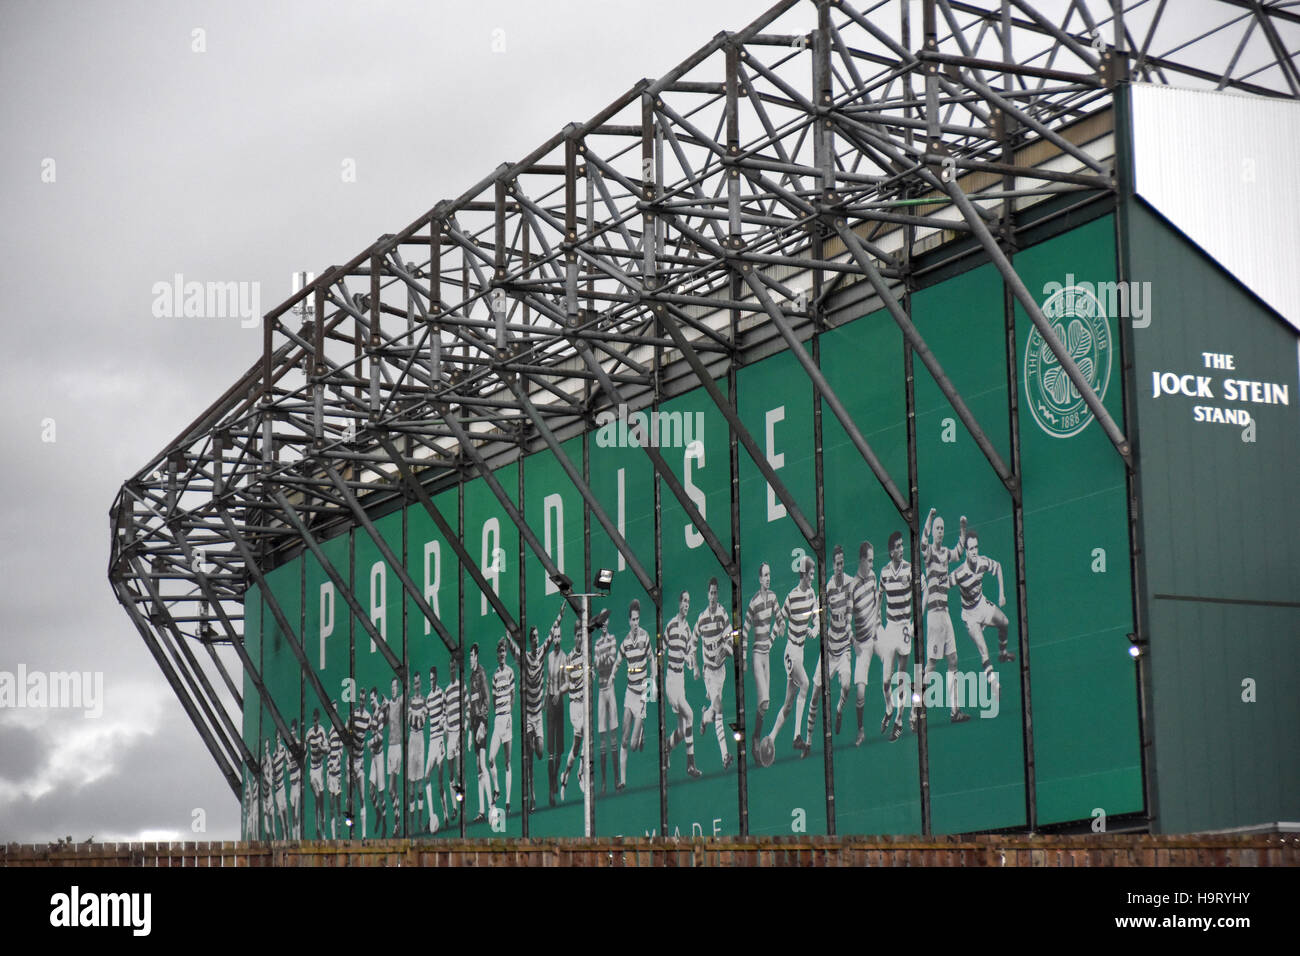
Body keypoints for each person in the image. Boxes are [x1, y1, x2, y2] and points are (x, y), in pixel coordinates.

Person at [761, 556, 819, 758]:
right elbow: (779, 621)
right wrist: (768, 644)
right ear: (803, 574)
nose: (813, 578)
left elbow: (816, 617)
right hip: (791, 651)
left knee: (788, 703)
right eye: (811, 574)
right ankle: (796, 736)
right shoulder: (792, 596)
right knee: (805, 684)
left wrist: (816, 628)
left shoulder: (812, 594)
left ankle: (771, 737)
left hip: (800, 652)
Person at [949, 528, 1012, 699]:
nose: (975, 551)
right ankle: (993, 683)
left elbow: (998, 567)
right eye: (971, 549)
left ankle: (1003, 654)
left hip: (982, 605)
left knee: (1005, 623)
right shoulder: (959, 573)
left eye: (976, 547)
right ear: (966, 552)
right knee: (984, 650)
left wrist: (1001, 593)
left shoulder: (983, 563)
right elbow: (943, 586)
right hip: (970, 616)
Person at [921, 509, 969, 725]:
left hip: (946, 614)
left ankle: (955, 711)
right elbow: (922, 543)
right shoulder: (930, 552)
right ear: (933, 532)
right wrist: (930, 519)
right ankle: (915, 710)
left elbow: (959, 552)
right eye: (937, 529)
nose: (940, 532)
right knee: (931, 665)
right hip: (934, 616)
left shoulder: (945, 554)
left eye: (941, 528)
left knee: (953, 660)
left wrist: (962, 529)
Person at [510, 612, 560, 811]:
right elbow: (514, 651)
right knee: (529, 762)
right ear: (530, 641)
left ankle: (532, 740)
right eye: (534, 638)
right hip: (527, 716)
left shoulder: (541, 652)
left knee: (539, 752)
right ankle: (531, 798)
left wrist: (561, 613)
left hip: (538, 714)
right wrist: (508, 635)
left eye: (537, 637)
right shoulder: (525, 658)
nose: (536, 640)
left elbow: (551, 632)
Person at [807, 547, 853, 748]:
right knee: (815, 694)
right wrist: (817, 628)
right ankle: (808, 740)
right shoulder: (828, 588)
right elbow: (817, 612)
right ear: (833, 566)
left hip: (844, 649)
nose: (840, 567)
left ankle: (840, 710)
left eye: (842, 563)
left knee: (846, 686)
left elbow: (853, 609)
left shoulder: (851, 583)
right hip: (828, 652)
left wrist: (852, 628)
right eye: (837, 564)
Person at [694, 577, 734, 770]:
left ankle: (704, 718)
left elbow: (730, 638)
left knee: (714, 709)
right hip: (709, 672)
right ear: (707, 594)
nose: (713, 596)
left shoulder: (723, 614)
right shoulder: (701, 619)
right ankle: (725, 755)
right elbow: (692, 643)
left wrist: (724, 650)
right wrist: (694, 666)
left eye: (716, 592)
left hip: (721, 671)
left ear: (718, 595)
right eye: (710, 592)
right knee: (719, 706)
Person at [741, 562, 779, 762]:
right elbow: (745, 630)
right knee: (764, 700)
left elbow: (780, 617)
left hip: (767, 656)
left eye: (769, 574)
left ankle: (756, 736)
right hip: (757, 655)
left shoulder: (773, 597)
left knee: (764, 706)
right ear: (759, 578)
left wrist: (780, 625)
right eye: (765, 575)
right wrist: (745, 659)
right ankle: (756, 738)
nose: (768, 578)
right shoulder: (754, 602)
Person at [663, 590, 702, 778]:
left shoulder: (688, 630)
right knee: (690, 714)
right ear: (679, 603)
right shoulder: (670, 626)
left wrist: (691, 663)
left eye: (689, 601)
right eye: (684, 601)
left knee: (680, 730)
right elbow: (660, 651)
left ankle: (666, 748)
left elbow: (688, 655)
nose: (686, 604)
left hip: (681, 681)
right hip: (671, 679)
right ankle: (690, 764)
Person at [879, 531, 914, 741]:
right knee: (885, 682)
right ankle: (889, 709)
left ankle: (899, 720)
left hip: (904, 629)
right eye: (898, 547)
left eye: (902, 546)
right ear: (891, 551)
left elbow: (924, 591)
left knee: (901, 679)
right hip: (890, 628)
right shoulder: (883, 572)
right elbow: (879, 594)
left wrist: (913, 624)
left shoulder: (909, 569)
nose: (902, 549)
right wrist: (876, 618)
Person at [849, 542, 884, 746]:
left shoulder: (873, 576)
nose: (872, 564)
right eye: (870, 560)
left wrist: (878, 622)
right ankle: (860, 730)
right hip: (862, 644)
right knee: (860, 692)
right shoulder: (851, 587)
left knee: (894, 662)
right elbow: (845, 621)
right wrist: (853, 640)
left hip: (875, 634)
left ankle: (904, 715)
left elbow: (877, 600)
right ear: (862, 560)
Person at [616, 599, 652, 791]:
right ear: (629, 621)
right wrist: (613, 674)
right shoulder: (626, 642)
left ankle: (642, 728)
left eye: (638, 619)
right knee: (623, 736)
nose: (636, 623)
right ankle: (622, 780)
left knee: (633, 745)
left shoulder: (645, 637)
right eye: (633, 620)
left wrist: (651, 690)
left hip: (642, 695)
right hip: (630, 692)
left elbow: (652, 660)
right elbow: (618, 660)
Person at [559, 620, 592, 799]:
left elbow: (589, 677)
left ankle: (566, 776)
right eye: (578, 635)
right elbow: (567, 682)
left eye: (582, 635)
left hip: (584, 705)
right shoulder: (569, 658)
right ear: (574, 637)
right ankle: (581, 773)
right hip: (574, 707)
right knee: (582, 732)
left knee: (577, 745)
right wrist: (558, 692)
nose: (580, 638)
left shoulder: (586, 656)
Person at [488, 639, 516, 814]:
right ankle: (497, 789)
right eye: (499, 652)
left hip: (507, 720)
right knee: (491, 759)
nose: (502, 654)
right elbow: (493, 699)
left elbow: (513, 696)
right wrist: (499, 715)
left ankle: (507, 801)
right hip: (498, 721)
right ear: (497, 655)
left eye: (504, 651)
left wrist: (509, 715)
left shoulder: (511, 672)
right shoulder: (495, 676)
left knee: (507, 762)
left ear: (506, 653)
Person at [593, 613, 619, 793]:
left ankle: (617, 778)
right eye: (600, 622)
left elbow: (611, 661)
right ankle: (603, 782)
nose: (603, 624)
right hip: (601, 691)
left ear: (608, 622)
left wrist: (603, 662)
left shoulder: (612, 639)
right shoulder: (596, 644)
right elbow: (597, 665)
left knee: (614, 735)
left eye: (605, 621)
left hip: (610, 688)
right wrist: (603, 661)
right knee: (602, 737)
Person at [545, 610, 569, 805]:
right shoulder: (549, 658)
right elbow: (547, 680)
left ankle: (554, 780)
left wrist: (559, 692)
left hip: (559, 703)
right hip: (550, 705)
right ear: (552, 638)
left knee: (560, 750)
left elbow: (568, 683)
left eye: (560, 636)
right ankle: (551, 789)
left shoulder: (565, 657)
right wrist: (547, 698)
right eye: (555, 636)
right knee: (551, 750)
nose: (557, 639)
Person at [467, 644, 491, 824]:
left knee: (483, 764)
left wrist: (483, 722)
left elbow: (487, 699)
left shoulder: (481, 673)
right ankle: (482, 811)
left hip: (482, 722)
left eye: (472, 656)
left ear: (477, 657)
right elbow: (470, 705)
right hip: (474, 724)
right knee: (478, 767)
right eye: (469, 656)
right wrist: (470, 731)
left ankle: (492, 808)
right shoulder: (470, 677)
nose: (470, 659)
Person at [423, 665, 449, 830]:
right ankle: (432, 815)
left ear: (437, 678)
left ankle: (445, 814)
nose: (432, 682)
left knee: (440, 782)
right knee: (426, 777)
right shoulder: (428, 697)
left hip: (440, 741)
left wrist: (443, 720)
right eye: (430, 680)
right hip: (431, 743)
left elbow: (446, 713)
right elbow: (424, 717)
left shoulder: (441, 694)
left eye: (433, 679)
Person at [407, 673, 427, 833]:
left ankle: (420, 821)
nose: (417, 685)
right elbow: (410, 721)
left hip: (420, 739)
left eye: (419, 682)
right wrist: (416, 718)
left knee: (420, 782)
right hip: (412, 739)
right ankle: (412, 824)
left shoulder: (424, 700)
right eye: (415, 683)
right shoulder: (411, 701)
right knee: (411, 783)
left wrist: (416, 719)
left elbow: (422, 722)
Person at [367, 688, 388, 835]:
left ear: (376, 699)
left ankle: (385, 823)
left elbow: (380, 737)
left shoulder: (379, 714)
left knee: (381, 794)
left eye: (372, 699)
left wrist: (370, 742)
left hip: (379, 757)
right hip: (373, 757)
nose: (371, 702)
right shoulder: (374, 714)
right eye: (370, 700)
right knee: (370, 791)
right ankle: (378, 814)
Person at [305, 709, 329, 836]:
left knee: (320, 800)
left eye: (316, 720)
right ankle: (317, 826)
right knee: (317, 796)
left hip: (320, 769)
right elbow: (304, 748)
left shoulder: (322, 731)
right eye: (313, 720)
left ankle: (322, 825)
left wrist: (321, 748)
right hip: (312, 770)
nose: (314, 723)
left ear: (318, 720)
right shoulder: (309, 733)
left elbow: (327, 749)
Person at [443, 669, 463, 823]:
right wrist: (446, 731)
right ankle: (454, 808)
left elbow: (467, 707)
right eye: (449, 668)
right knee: (450, 774)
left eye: (453, 668)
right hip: (450, 735)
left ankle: (461, 803)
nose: (451, 672)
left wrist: (463, 730)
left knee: (458, 771)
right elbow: (445, 714)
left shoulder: (461, 686)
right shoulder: (447, 691)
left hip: (459, 733)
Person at [326, 712, 345, 838]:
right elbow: (329, 752)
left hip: (337, 774)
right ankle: (333, 836)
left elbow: (341, 750)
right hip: (330, 775)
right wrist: (328, 771)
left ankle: (339, 831)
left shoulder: (339, 730)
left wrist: (336, 762)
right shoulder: (329, 732)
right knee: (331, 805)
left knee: (338, 805)